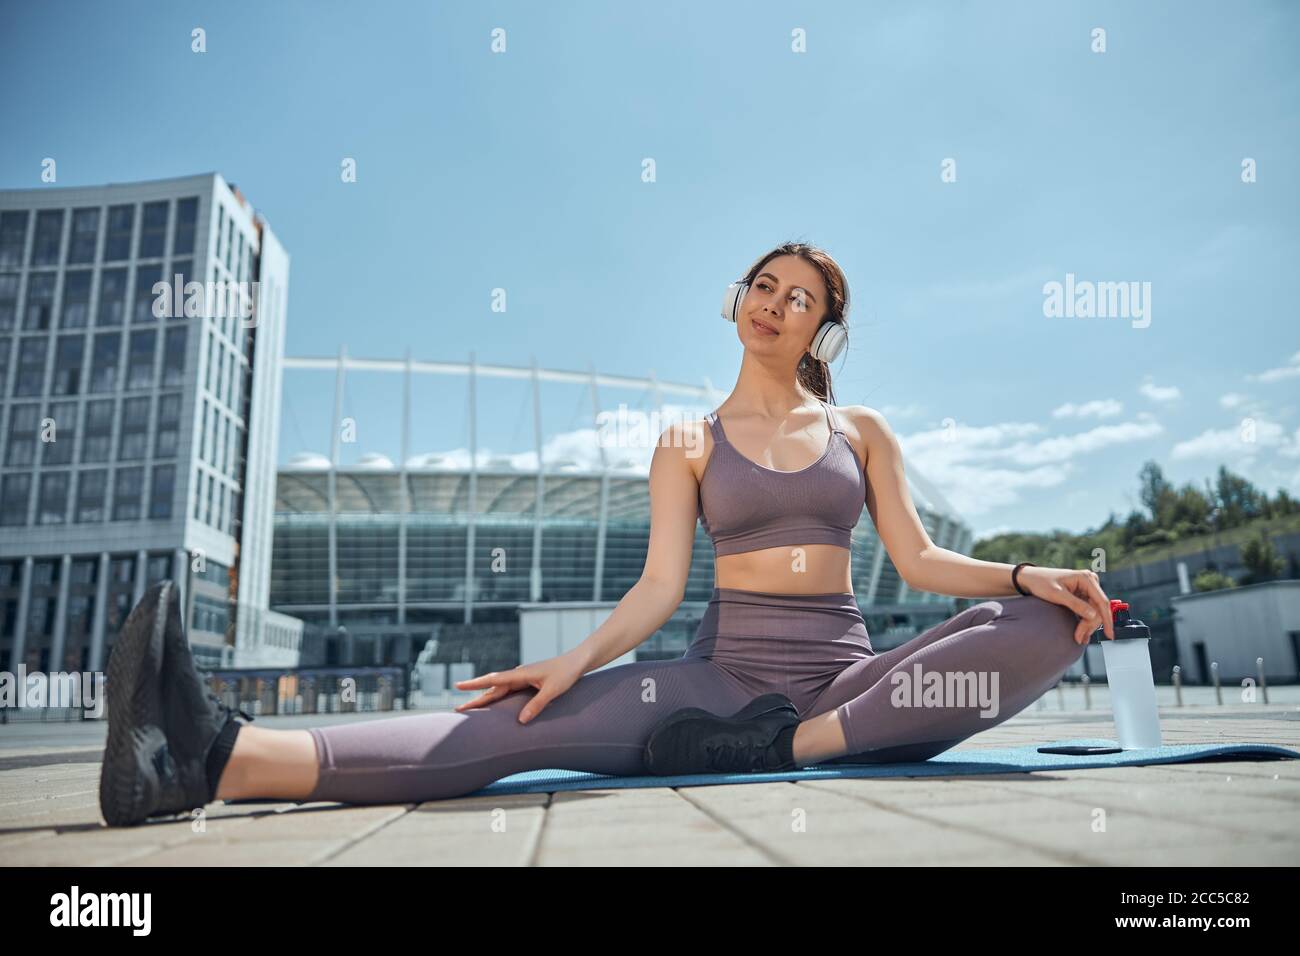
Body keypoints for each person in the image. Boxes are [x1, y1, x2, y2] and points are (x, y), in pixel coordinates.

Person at [98, 241, 1115, 827]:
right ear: (737, 301)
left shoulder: (863, 430)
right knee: (512, 731)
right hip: (714, 684)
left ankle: (787, 746)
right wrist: (567, 663)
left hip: (847, 680)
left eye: (799, 298)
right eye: (762, 283)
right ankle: (210, 756)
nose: (773, 302)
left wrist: (1033, 570)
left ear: (823, 333)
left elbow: (919, 561)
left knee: (1032, 624)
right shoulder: (686, 437)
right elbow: (658, 589)